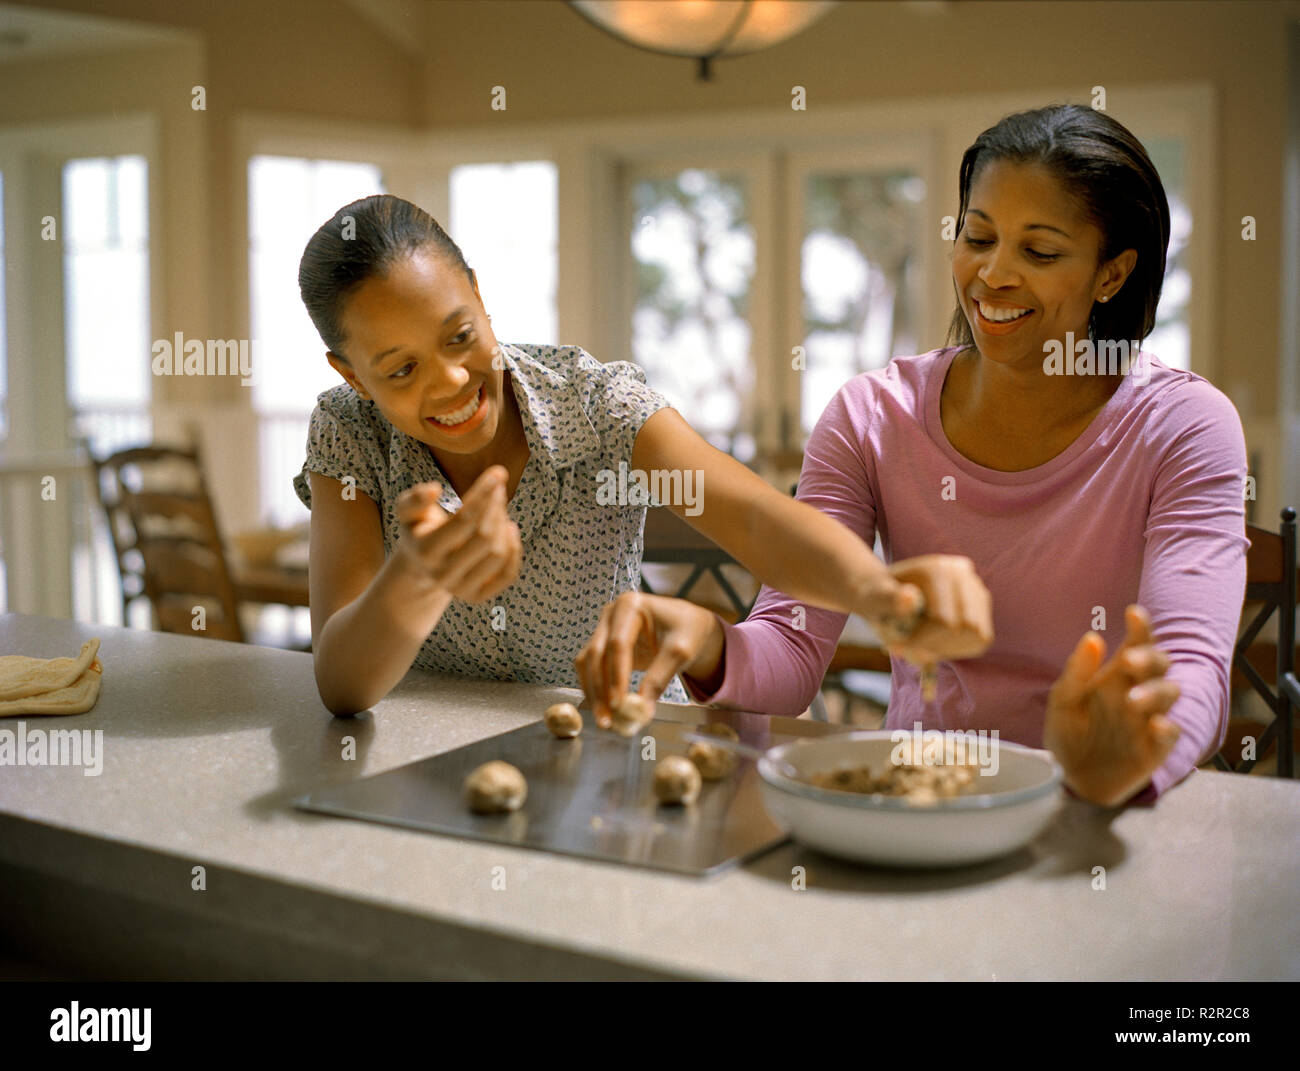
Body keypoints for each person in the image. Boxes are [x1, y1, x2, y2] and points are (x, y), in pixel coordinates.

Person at [577, 104, 1248, 807]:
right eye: (977, 236)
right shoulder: (873, 417)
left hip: (1092, 805)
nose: (993, 274)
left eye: (1040, 252)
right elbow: (793, 651)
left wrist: (1130, 755)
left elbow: (1192, 671)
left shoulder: (1183, 426)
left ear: (1110, 274)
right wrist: (710, 641)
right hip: (918, 805)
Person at [292, 196, 992, 717]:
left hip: (604, 740)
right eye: (399, 370)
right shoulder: (349, 433)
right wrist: (414, 578)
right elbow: (343, 684)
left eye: (458, 335)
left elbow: (754, 521)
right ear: (352, 375)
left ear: (478, 293)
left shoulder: (597, 406)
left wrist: (880, 592)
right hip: (423, 756)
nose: (448, 381)